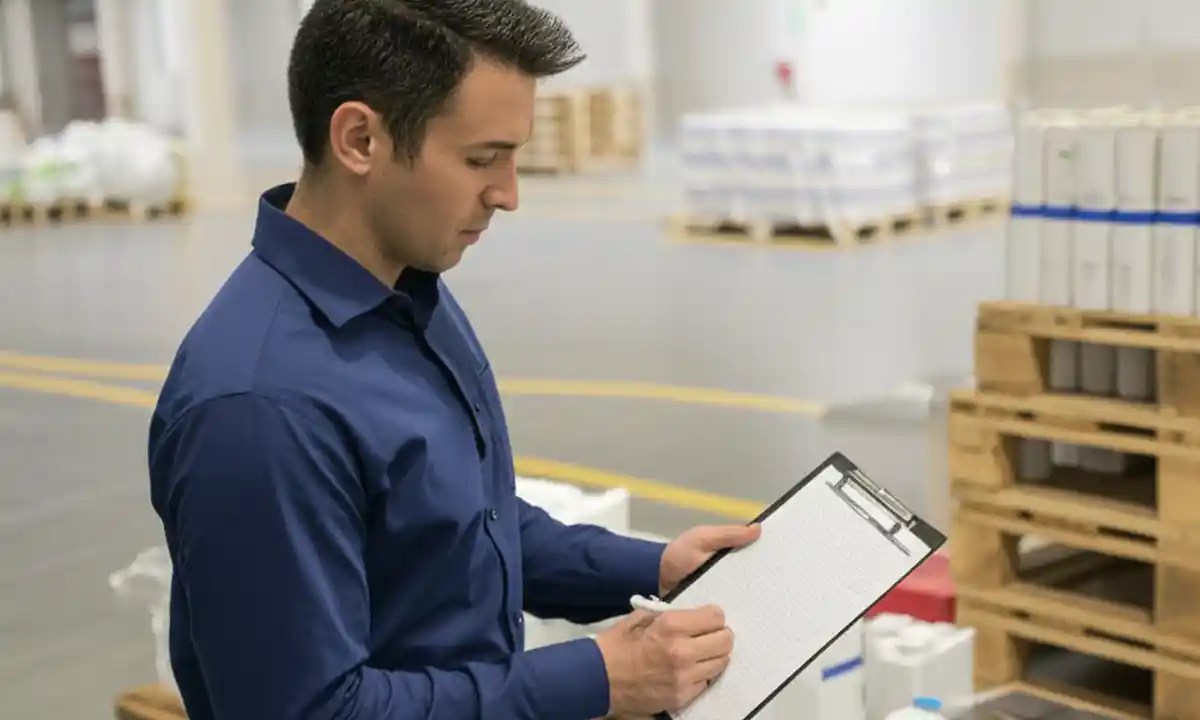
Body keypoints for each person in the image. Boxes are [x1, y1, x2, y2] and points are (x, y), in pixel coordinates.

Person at [146, 1, 762, 718]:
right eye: (481, 159)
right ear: (359, 140)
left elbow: (465, 525)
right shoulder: (257, 408)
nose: (508, 194)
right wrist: (595, 680)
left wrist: (654, 567)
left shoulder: (410, 293)